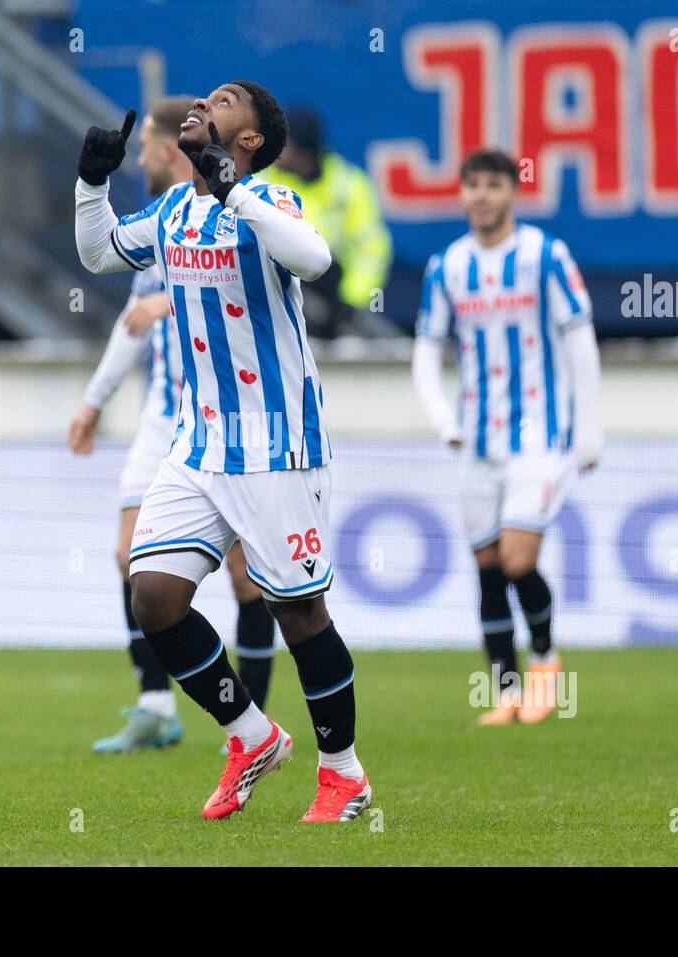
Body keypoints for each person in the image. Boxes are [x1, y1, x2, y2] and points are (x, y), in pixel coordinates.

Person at [74, 81, 373, 822]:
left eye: (227, 101)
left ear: (248, 142)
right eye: (206, 97)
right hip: (199, 443)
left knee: (298, 611)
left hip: (276, 446)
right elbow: (97, 253)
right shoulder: (175, 210)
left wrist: (236, 190)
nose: (207, 102)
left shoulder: (274, 205)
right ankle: (252, 734)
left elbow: (314, 258)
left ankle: (344, 772)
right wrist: (90, 180)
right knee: (154, 595)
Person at [67, 97, 278, 753]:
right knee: (130, 556)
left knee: (248, 577)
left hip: (238, 420)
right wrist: (94, 400)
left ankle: (252, 719)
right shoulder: (157, 220)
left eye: (155, 145)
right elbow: (129, 320)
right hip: (167, 418)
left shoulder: (246, 206)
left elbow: (290, 283)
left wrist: (169, 299)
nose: (151, 155)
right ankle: (156, 703)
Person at [412, 148, 602, 725]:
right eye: (473, 186)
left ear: (511, 194)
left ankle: (545, 663)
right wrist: (444, 419)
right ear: (463, 193)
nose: (482, 196)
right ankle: (506, 692)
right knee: (488, 566)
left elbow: (579, 339)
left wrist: (588, 428)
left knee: (519, 559)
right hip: (476, 442)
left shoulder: (546, 255)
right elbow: (425, 352)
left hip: (541, 439)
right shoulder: (446, 266)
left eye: (494, 185)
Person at [264, 107, 392, 338]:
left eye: (284, 143)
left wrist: (351, 300)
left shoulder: (350, 184)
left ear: (304, 149)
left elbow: (372, 251)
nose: (276, 149)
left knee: (380, 331)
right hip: (282, 295)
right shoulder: (262, 182)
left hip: (339, 294)